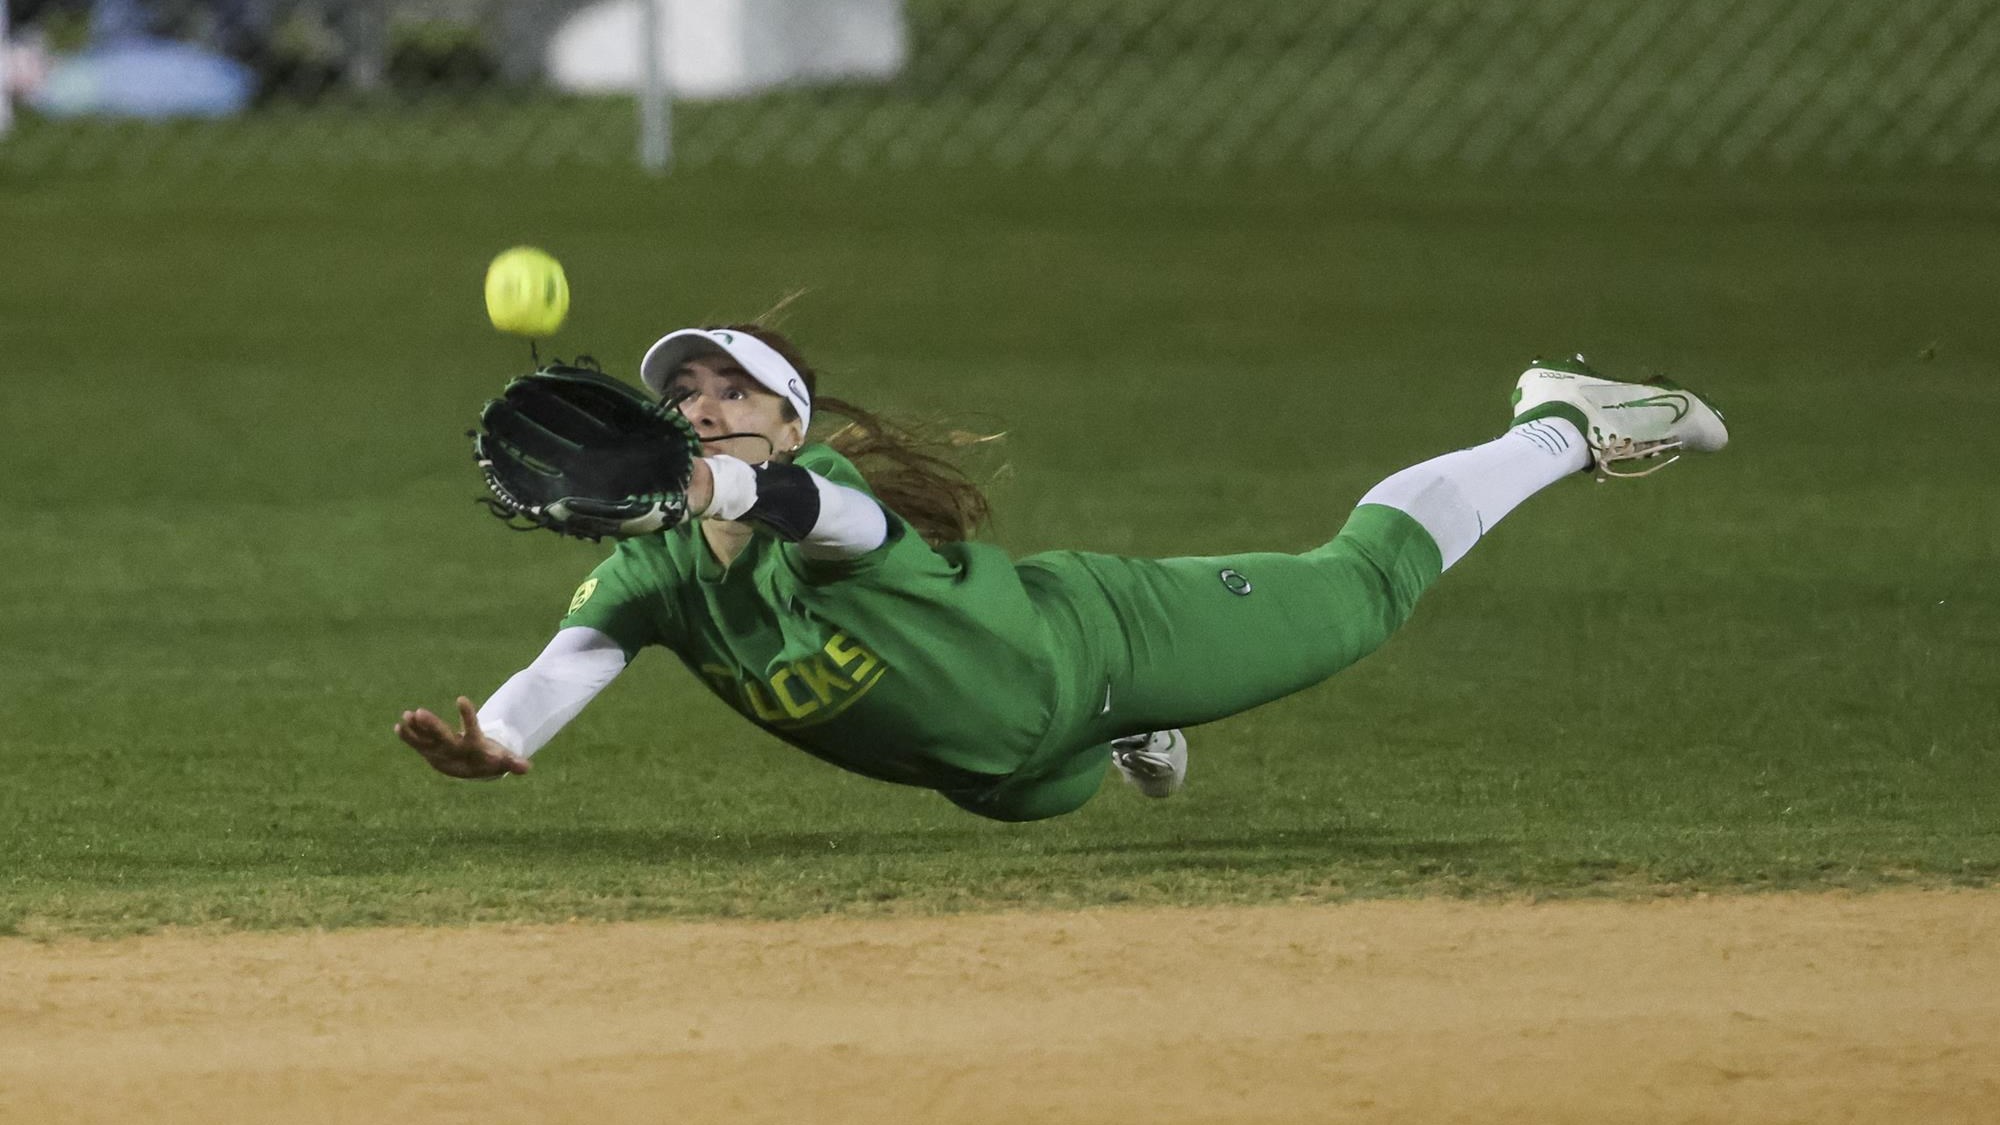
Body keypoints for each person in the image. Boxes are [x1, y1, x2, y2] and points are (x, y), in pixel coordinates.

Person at [395, 326, 1727, 821]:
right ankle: (1129, 733)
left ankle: (1560, 421)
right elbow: (568, 657)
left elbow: (804, 512)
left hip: (1092, 635)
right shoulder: (663, 581)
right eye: (677, 395)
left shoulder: (827, 494)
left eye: (729, 388)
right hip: (1006, 767)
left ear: (790, 423)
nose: (698, 405)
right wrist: (498, 740)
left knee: (1360, 587)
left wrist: (706, 481)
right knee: (1045, 789)